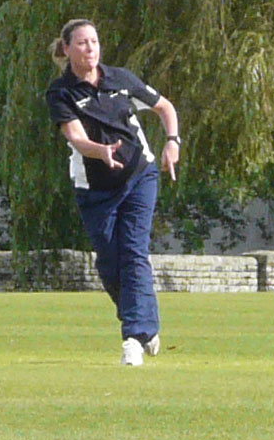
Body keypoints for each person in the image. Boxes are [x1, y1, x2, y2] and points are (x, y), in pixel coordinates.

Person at [45, 19, 181, 366]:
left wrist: (172, 142)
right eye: (81, 43)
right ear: (66, 49)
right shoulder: (61, 93)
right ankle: (146, 325)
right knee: (109, 262)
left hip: (139, 175)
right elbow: (75, 137)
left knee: (134, 252)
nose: (90, 48)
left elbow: (165, 108)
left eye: (94, 41)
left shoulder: (120, 78)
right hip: (95, 189)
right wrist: (99, 151)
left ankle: (133, 338)